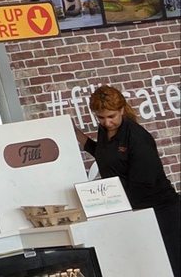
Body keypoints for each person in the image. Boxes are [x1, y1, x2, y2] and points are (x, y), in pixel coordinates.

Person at [74, 84, 180, 277]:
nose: (107, 122)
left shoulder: (138, 137)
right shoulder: (105, 131)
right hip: (131, 208)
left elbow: (144, 182)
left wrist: (108, 202)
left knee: (171, 264)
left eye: (111, 116)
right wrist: (76, 134)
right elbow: (104, 155)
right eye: (101, 117)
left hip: (159, 210)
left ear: (122, 110)